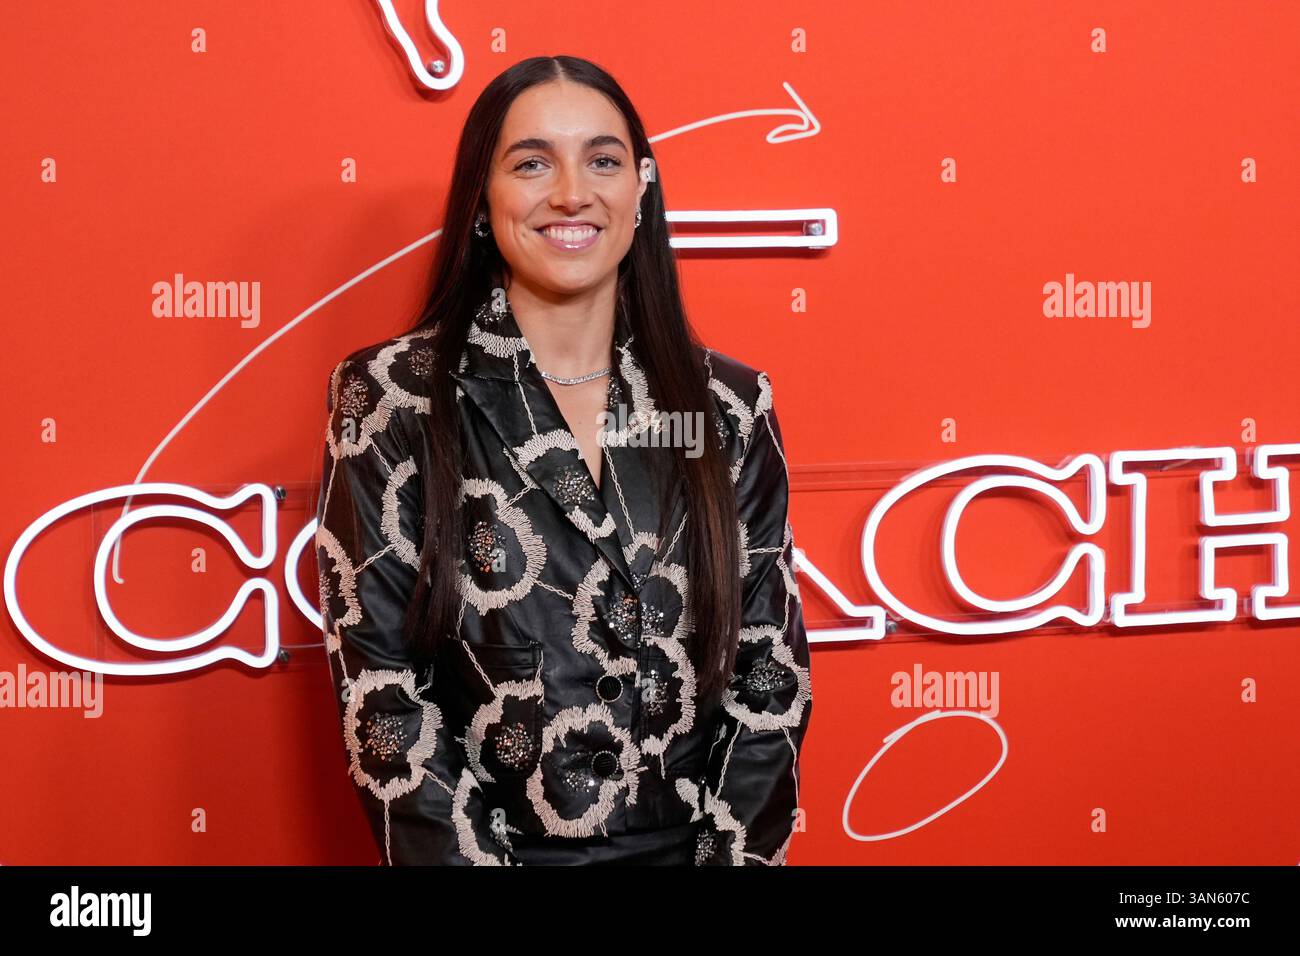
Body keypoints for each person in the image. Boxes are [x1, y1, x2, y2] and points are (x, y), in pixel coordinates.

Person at [314, 54, 812, 865]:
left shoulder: (724, 407)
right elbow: (384, 697)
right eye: (533, 162)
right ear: (482, 197)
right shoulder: (391, 398)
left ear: (642, 188)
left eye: (604, 160)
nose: (572, 193)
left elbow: (769, 673)